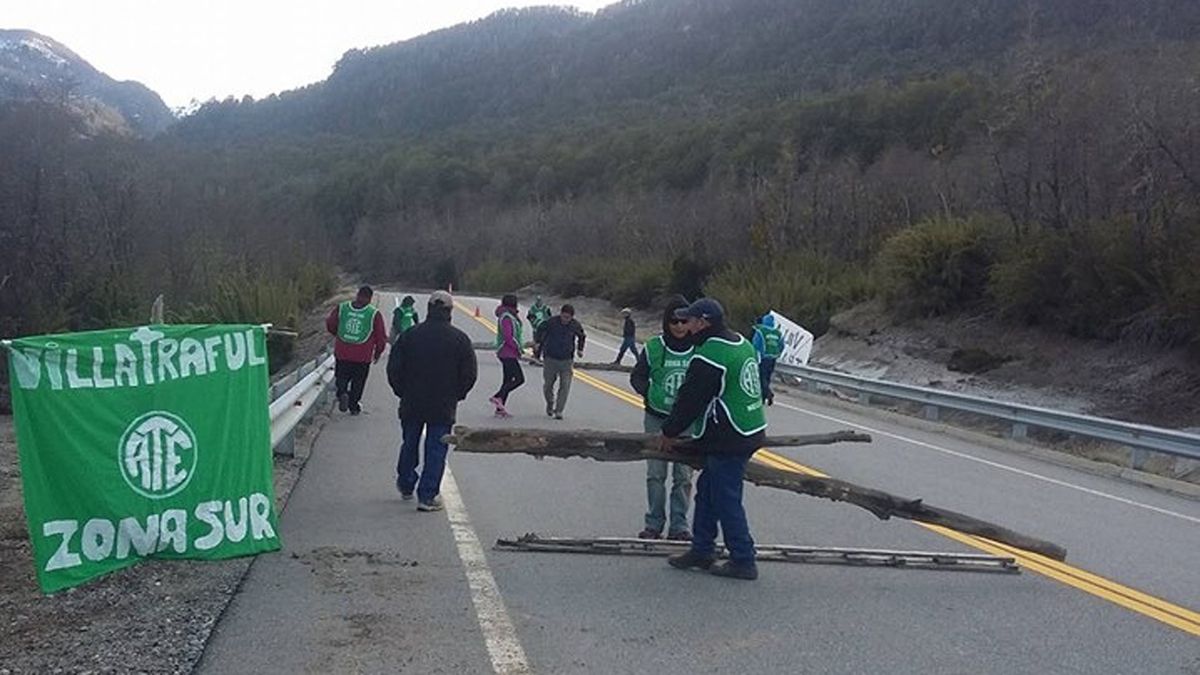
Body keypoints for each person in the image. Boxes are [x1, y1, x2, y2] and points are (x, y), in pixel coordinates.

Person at [659, 297, 767, 580]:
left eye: (691, 321)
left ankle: (744, 559)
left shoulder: (712, 354)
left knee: (725, 496)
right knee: (708, 488)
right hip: (750, 427)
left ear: (703, 322)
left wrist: (669, 431)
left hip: (730, 434)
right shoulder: (741, 343)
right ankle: (702, 549)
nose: (686, 326)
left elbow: (691, 399)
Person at [386, 290, 478, 511]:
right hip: (442, 404)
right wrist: (458, 393)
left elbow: (394, 368)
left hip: (412, 401)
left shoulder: (410, 336)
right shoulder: (459, 339)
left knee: (409, 443)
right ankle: (427, 496)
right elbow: (469, 374)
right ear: (449, 311)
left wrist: (401, 391)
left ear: (428, 309)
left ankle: (406, 482)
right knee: (436, 449)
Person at [630, 296, 695, 541]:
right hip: (656, 418)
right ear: (666, 322)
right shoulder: (654, 347)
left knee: (684, 476)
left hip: (688, 421)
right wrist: (649, 392)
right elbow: (637, 377)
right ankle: (654, 523)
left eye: (683, 321)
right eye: (673, 321)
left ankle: (679, 525)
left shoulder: (700, 348)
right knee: (656, 474)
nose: (679, 326)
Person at [325, 285, 388, 416]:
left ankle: (342, 393)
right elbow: (381, 336)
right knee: (358, 381)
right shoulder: (373, 313)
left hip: (343, 351)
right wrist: (377, 352)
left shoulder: (342, 308)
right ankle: (353, 406)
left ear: (358, 294)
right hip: (362, 355)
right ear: (370, 298)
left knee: (341, 376)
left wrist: (338, 334)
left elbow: (330, 323)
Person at [533, 303, 586, 420]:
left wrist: (580, 349)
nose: (565, 319)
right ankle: (550, 403)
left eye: (568, 317)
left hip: (567, 360)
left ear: (572, 317)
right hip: (550, 358)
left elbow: (582, 336)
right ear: (561, 314)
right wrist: (537, 342)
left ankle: (559, 410)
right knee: (548, 385)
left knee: (565, 385)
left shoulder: (575, 325)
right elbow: (540, 329)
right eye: (564, 316)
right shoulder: (552, 322)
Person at [489, 294, 525, 418]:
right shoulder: (506, 317)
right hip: (507, 352)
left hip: (509, 352)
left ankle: (500, 408)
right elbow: (509, 337)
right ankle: (498, 396)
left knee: (508, 380)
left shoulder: (510, 316)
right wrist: (519, 348)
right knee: (519, 379)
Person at [751, 313, 784, 406]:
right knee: (768, 378)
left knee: (761, 378)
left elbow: (755, 344)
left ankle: (768, 394)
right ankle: (763, 397)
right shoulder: (777, 332)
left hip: (763, 358)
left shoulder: (761, 331)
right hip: (773, 358)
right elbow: (782, 345)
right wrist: (777, 353)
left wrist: (756, 355)